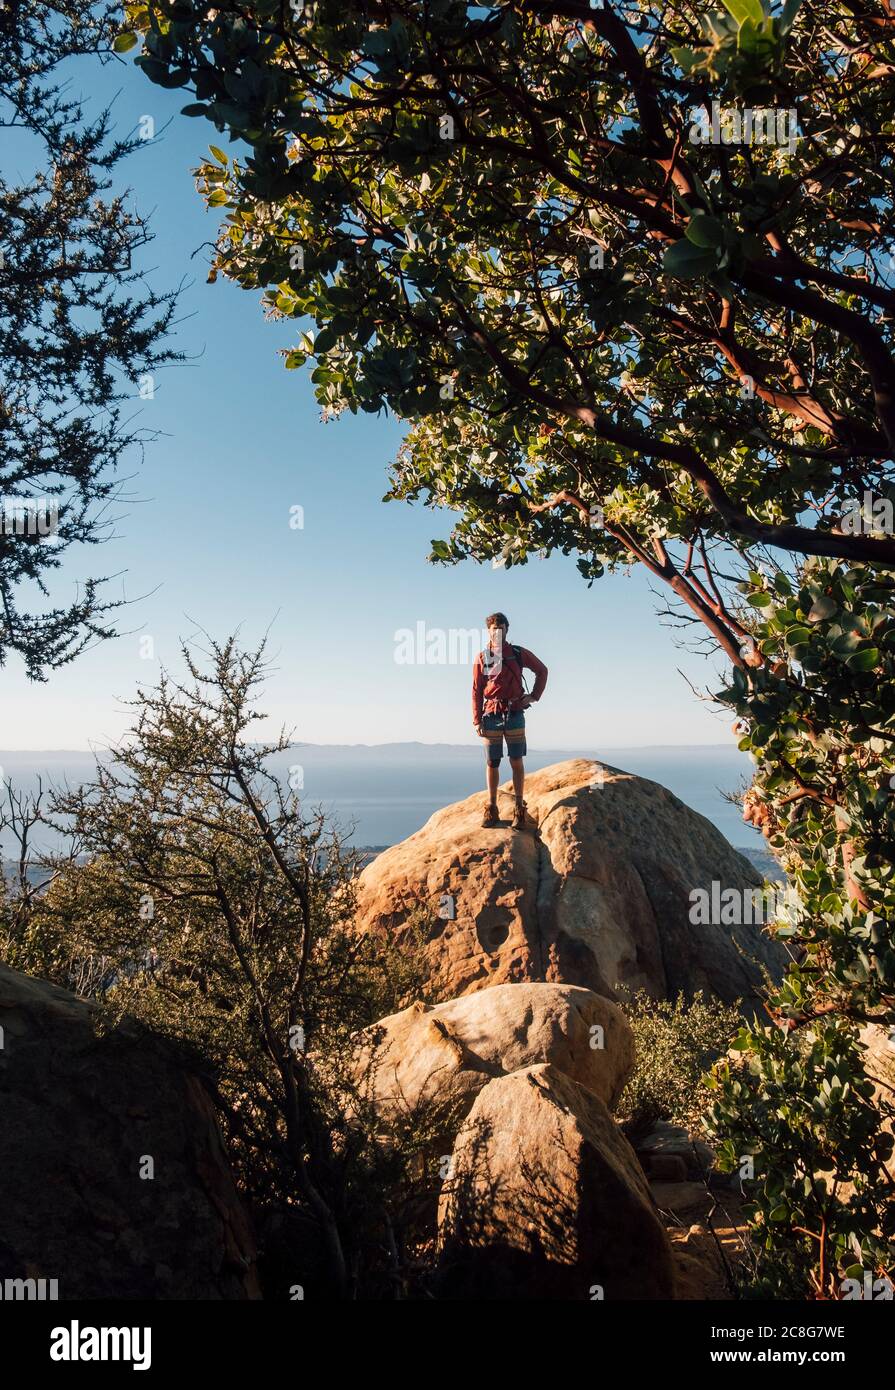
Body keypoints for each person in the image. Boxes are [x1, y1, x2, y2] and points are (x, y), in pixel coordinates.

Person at [472, 612, 548, 829]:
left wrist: (533, 696)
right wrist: (477, 720)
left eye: (500, 628)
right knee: (492, 762)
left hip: (514, 711)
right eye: (493, 629)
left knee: (516, 761)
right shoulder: (483, 657)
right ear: (488, 631)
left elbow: (542, 670)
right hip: (491, 714)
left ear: (507, 629)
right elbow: (477, 689)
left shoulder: (517, 653)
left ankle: (519, 810)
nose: (497, 632)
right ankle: (492, 808)